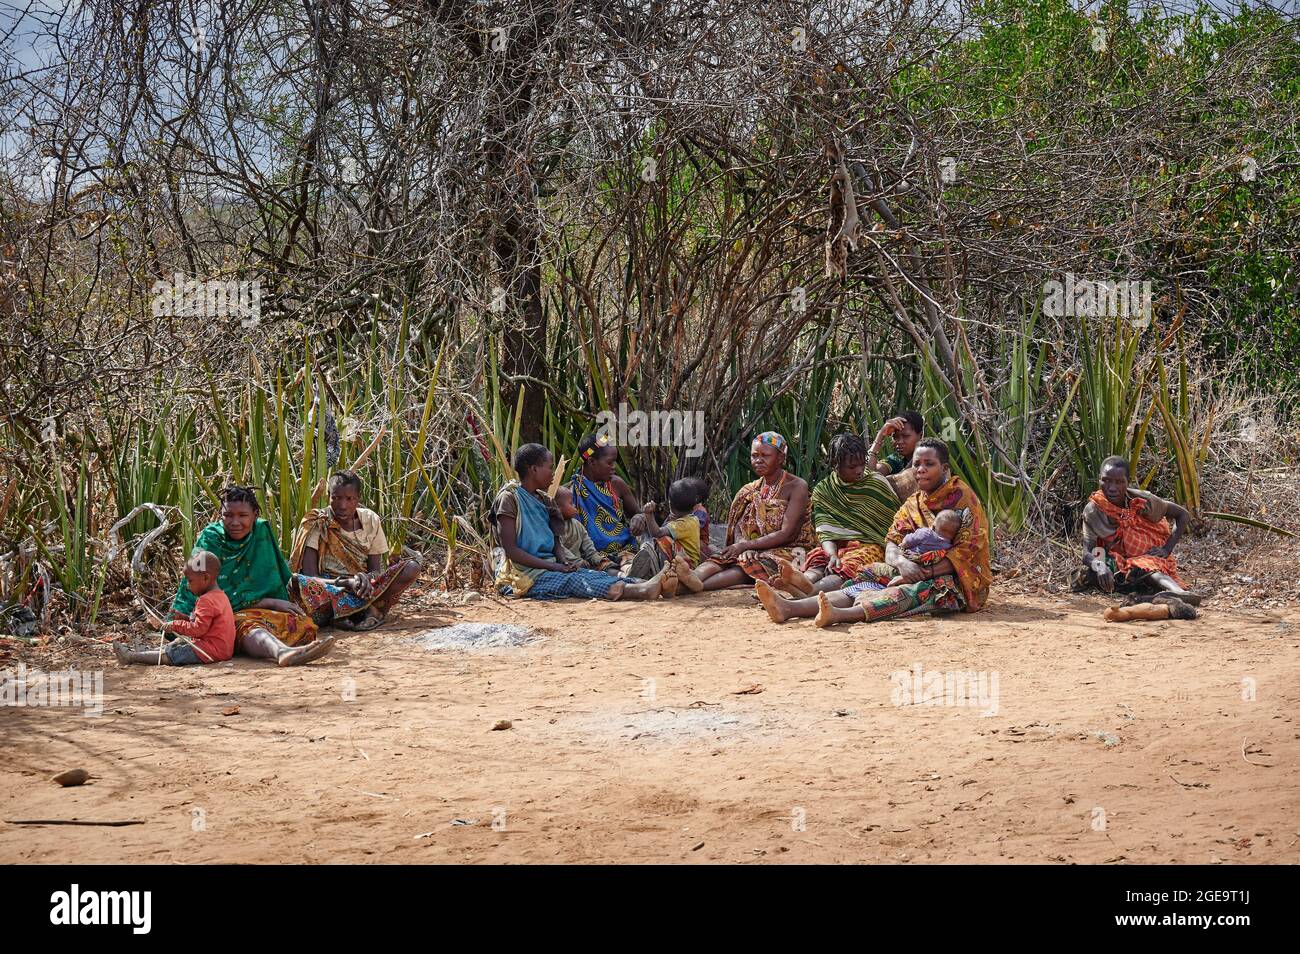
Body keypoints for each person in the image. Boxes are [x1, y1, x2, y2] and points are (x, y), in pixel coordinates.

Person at [755, 438, 992, 626]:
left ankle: (841, 615)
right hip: (909, 567)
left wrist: (922, 572)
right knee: (869, 574)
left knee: (911, 591)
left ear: (945, 468)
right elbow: (892, 539)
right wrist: (900, 562)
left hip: (954, 581)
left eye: (929, 464)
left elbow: (967, 552)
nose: (920, 470)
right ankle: (789, 608)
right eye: (916, 464)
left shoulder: (962, 499)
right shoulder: (914, 502)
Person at [172, 486, 334, 666]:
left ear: (255, 514)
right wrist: (269, 602)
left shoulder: (261, 531)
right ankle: (281, 652)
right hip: (218, 614)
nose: (235, 522)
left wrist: (274, 603)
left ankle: (280, 647)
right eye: (228, 516)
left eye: (242, 515)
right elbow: (202, 591)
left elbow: (274, 576)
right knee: (246, 625)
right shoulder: (211, 539)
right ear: (220, 515)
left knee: (302, 624)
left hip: (255, 609)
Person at [490, 443, 667, 601]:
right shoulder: (510, 498)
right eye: (550, 468)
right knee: (573, 581)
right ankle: (641, 590)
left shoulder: (545, 500)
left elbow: (555, 540)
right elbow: (511, 550)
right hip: (524, 573)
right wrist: (553, 566)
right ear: (533, 469)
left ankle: (645, 583)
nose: (553, 474)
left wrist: (563, 562)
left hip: (550, 565)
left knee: (588, 574)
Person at [289, 470, 422, 631]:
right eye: (336, 498)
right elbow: (310, 576)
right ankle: (357, 612)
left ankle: (365, 610)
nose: (343, 505)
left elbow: (375, 570)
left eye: (350, 499)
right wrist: (346, 583)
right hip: (330, 587)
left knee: (411, 567)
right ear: (328, 497)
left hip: (363, 588)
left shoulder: (370, 520)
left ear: (358, 499)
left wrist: (364, 579)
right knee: (297, 581)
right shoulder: (318, 522)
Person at [693, 431, 813, 591]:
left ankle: (692, 586)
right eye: (754, 455)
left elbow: (787, 533)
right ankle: (689, 579)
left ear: (780, 458)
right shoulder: (749, 490)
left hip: (791, 550)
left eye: (765, 455)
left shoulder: (797, 486)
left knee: (747, 565)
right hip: (751, 547)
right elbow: (738, 525)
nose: (758, 460)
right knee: (722, 558)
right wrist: (742, 544)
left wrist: (747, 547)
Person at [1073, 455, 1199, 604]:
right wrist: (1099, 566)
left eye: (1119, 482)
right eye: (1106, 481)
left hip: (1148, 555)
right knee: (1090, 574)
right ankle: (1146, 590)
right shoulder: (1093, 511)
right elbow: (1088, 552)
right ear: (1099, 478)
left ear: (1128, 482)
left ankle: (1178, 592)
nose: (1112, 488)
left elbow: (1182, 514)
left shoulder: (1143, 501)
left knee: (1145, 565)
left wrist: (1166, 549)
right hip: (1118, 559)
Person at [789, 433, 901, 593]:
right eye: (852, 467)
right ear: (835, 464)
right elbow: (826, 533)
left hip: (872, 547)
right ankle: (801, 584)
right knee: (818, 559)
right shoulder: (824, 490)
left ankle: (807, 593)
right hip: (836, 547)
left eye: (862, 464)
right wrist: (832, 555)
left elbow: (894, 528)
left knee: (847, 566)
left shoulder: (876, 483)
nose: (859, 471)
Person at [114, 551, 234, 666]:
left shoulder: (206, 600)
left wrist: (176, 625)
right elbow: (207, 625)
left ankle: (132, 657)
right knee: (178, 643)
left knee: (174, 654)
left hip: (210, 652)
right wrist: (185, 619)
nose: (187, 585)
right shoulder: (221, 596)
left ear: (206, 578)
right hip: (222, 650)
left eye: (190, 580)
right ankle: (145, 652)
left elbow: (198, 629)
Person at [568, 432, 656, 577]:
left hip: (624, 548)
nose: (614, 467)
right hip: (593, 554)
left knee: (629, 561)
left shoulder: (617, 484)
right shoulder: (572, 491)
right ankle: (626, 577)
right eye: (610, 462)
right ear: (591, 462)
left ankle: (630, 571)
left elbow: (637, 512)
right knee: (605, 568)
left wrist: (639, 518)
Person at [641, 479, 707, 594]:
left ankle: (666, 572)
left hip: (686, 565)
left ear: (670, 503)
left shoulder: (681, 524)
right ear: (694, 505)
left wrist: (649, 515)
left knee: (664, 540)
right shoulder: (692, 519)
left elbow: (657, 533)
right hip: (687, 564)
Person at [554, 485, 620, 574]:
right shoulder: (553, 528)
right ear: (557, 508)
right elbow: (560, 550)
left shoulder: (577, 525)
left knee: (607, 567)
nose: (575, 506)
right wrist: (578, 562)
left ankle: (625, 574)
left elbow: (589, 548)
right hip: (567, 568)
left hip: (584, 564)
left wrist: (598, 559)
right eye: (571, 503)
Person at [867, 410, 923, 476]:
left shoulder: (932, 457)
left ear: (921, 436)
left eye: (906, 436)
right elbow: (870, 475)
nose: (899, 441)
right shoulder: (896, 460)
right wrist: (881, 434)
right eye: (895, 437)